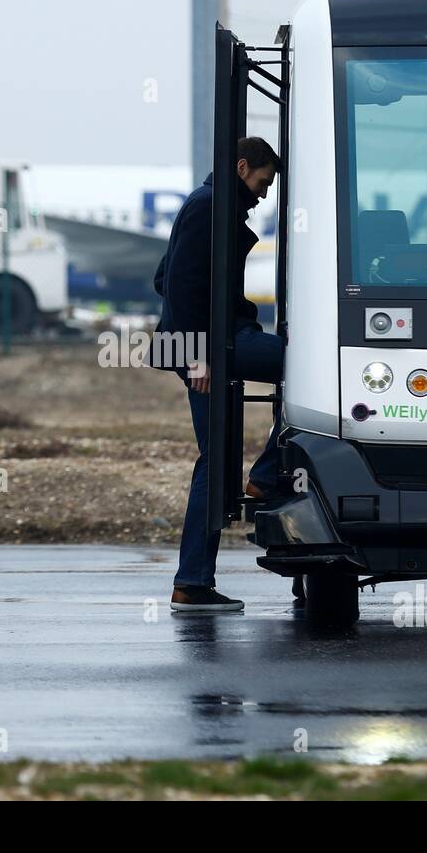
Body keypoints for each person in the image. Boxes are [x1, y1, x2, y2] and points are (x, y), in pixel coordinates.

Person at [152, 137, 282, 612]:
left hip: (213, 342)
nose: (265, 194)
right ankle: (265, 477)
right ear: (242, 165)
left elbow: (162, 278)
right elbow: (181, 288)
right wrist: (198, 358)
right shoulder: (208, 207)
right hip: (211, 347)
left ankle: (191, 583)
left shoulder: (207, 204)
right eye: (263, 182)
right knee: (308, 367)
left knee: (214, 460)